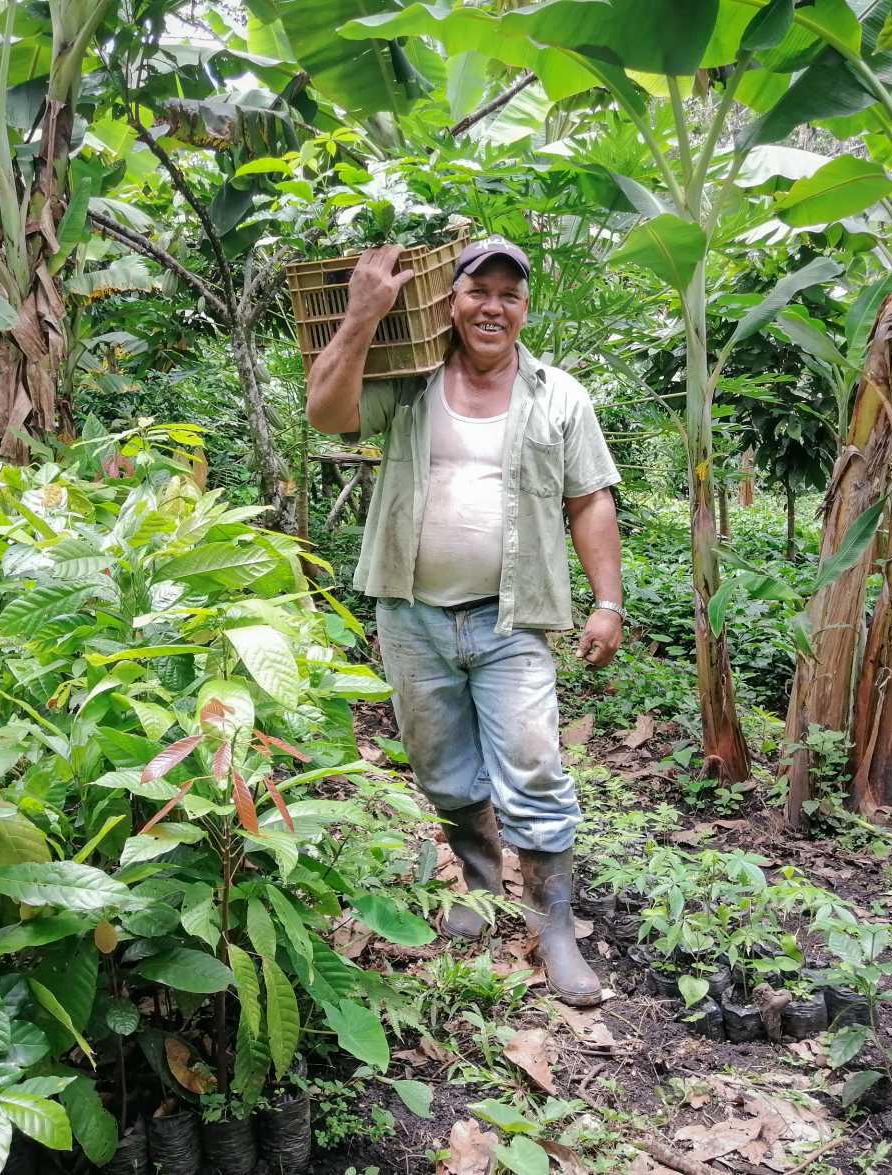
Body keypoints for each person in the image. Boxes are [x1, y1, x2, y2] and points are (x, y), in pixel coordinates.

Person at [305, 236, 625, 1007]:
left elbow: (590, 499)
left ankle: (554, 928)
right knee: (441, 766)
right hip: (411, 614)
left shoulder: (559, 395)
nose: (493, 307)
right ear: (452, 301)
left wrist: (608, 601)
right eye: (479, 291)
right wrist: (361, 316)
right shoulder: (410, 379)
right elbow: (326, 413)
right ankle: (480, 889)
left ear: (524, 309)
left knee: (534, 763)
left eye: (509, 295)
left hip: (513, 616)